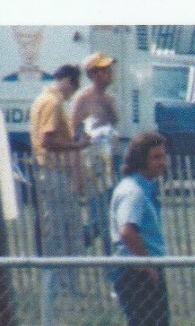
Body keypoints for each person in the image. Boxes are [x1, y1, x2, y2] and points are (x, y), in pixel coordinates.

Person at [109, 132, 171, 326]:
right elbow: (127, 232)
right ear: (140, 160)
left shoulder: (145, 188)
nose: (163, 162)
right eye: (156, 157)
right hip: (136, 272)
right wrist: (147, 265)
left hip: (144, 268)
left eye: (163, 156)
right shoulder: (133, 191)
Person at [29, 64, 86, 292]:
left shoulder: (42, 99)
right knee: (64, 229)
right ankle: (63, 283)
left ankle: (60, 282)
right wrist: (77, 145)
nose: (73, 91)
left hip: (48, 172)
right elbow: (47, 140)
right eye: (75, 85)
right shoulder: (53, 103)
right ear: (68, 81)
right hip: (54, 172)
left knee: (58, 227)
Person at [71, 53, 120, 253]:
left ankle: (109, 257)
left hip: (109, 160)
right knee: (99, 215)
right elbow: (74, 133)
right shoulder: (82, 99)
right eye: (104, 70)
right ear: (93, 74)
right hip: (92, 163)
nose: (110, 74)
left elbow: (114, 125)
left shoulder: (110, 99)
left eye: (109, 70)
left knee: (110, 213)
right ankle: (78, 243)